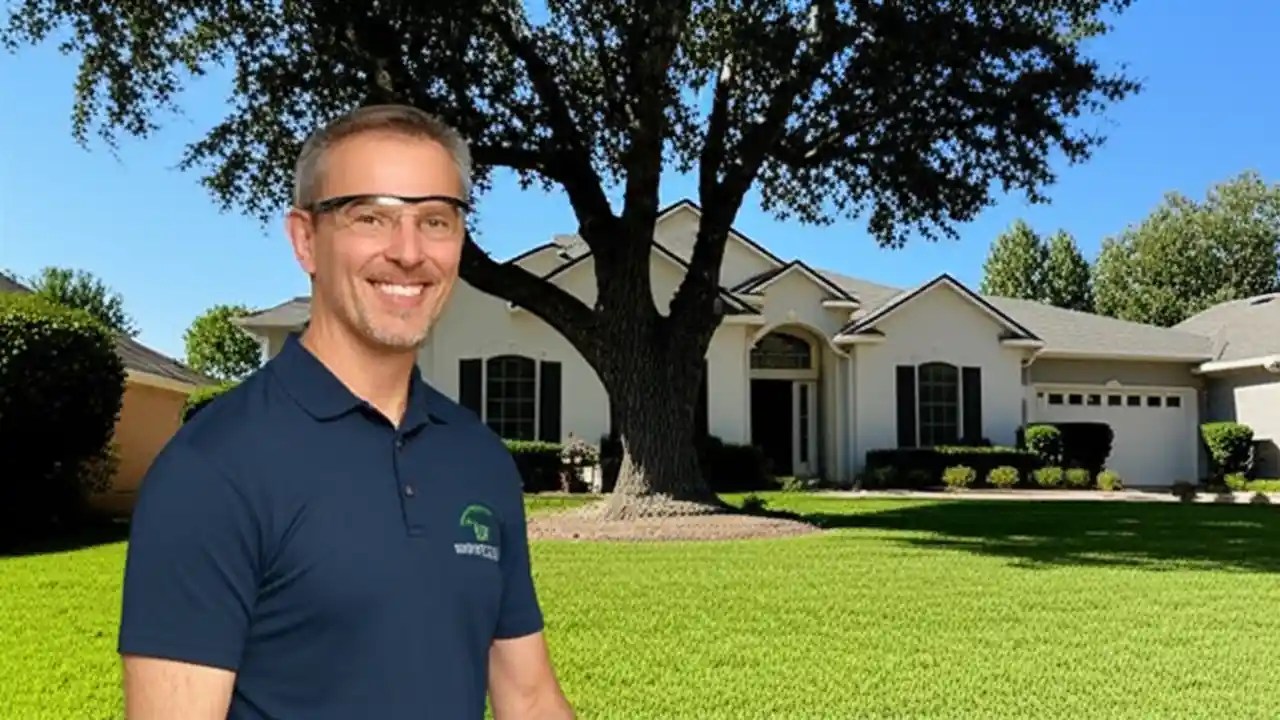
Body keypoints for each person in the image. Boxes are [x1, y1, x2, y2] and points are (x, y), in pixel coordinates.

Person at [117, 104, 574, 719]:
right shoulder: (211, 470)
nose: (409, 252)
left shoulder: (479, 459)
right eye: (371, 216)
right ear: (305, 239)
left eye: (435, 220)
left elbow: (530, 697)